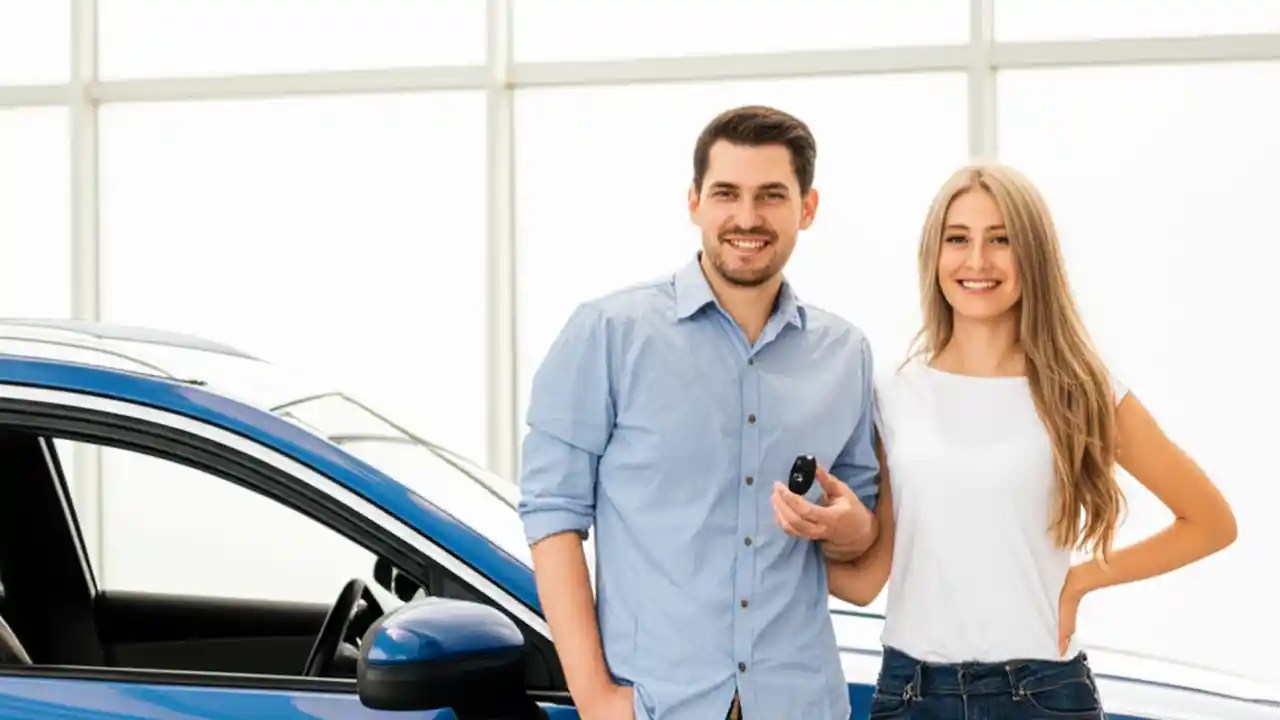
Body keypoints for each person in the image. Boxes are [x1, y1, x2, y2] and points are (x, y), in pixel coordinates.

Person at [820, 163, 1238, 719]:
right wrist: (781, 543)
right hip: (911, 695)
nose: (976, 261)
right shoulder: (893, 397)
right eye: (958, 239)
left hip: (1040, 696)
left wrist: (1084, 578)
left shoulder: (1080, 391)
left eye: (1001, 240)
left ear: (1033, 256)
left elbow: (1210, 521)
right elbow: (868, 581)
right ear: (934, 254)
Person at [517, 105, 882, 720]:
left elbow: (859, 535)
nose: (747, 217)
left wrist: (851, 531)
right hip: (660, 704)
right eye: (726, 194)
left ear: (807, 208)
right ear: (694, 202)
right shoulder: (609, 332)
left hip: (801, 702)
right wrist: (597, 700)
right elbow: (552, 515)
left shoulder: (845, 355)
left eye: (771, 195)